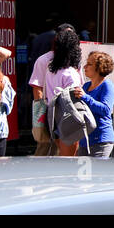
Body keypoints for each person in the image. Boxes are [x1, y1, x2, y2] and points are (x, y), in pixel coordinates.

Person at [29, 24, 84, 156]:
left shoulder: (70, 64)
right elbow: (37, 89)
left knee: (58, 151)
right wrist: (39, 118)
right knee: (48, 149)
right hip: (56, 113)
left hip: (55, 113)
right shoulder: (44, 61)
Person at [74, 50, 114, 159]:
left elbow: (106, 110)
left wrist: (85, 97)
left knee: (97, 174)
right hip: (85, 140)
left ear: (100, 67)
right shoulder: (86, 86)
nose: (85, 67)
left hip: (101, 139)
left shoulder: (107, 86)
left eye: (89, 64)